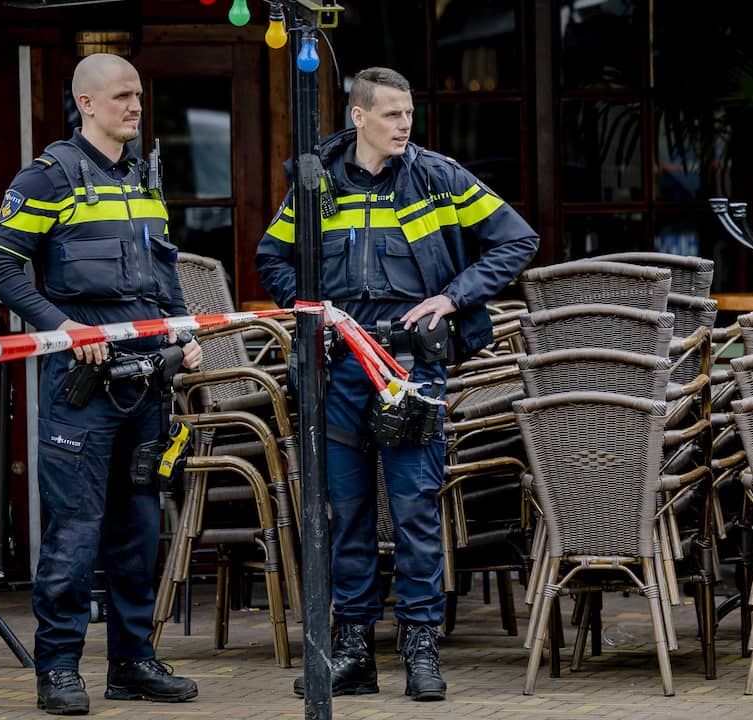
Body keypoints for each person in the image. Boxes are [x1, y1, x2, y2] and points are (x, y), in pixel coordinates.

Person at [257, 66, 538, 702]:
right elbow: (272, 256)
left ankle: (419, 649)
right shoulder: (317, 184)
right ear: (358, 117)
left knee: (414, 510)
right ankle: (352, 652)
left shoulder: (437, 176)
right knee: (345, 513)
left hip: (412, 369)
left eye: (408, 113)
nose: (404, 125)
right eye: (391, 114)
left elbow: (517, 239)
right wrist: (312, 311)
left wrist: (451, 297)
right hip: (338, 368)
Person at [0, 53, 202, 716]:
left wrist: (180, 334)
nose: (135, 106)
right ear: (87, 103)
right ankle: (58, 670)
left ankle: (132, 662)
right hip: (81, 386)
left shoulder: (141, 177)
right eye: (123, 96)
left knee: (138, 529)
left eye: (138, 96)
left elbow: (161, 275)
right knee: (76, 533)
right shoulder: (48, 178)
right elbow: (1, 265)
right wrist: (67, 326)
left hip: (145, 382)